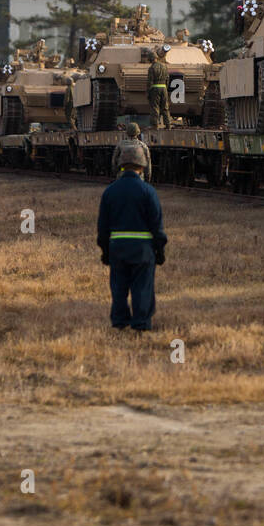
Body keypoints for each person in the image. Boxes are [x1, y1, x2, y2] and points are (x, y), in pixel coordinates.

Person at [97, 149, 166, 332]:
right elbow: (156, 224)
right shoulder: (148, 191)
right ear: (142, 167)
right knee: (142, 287)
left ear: (121, 166)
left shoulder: (110, 191)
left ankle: (119, 322)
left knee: (119, 288)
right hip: (143, 249)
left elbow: (103, 227)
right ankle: (141, 325)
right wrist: (160, 249)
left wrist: (105, 251)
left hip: (117, 248)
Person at [147, 47, 172, 129]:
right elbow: (168, 79)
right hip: (164, 88)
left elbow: (150, 81)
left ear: (150, 59)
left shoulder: (152, 68)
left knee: (155, 107)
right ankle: (168, 125)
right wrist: (166, 88)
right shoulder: (164, 66)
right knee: (165, 107)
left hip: (155, 88)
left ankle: (155, 125)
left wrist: (149, 91)